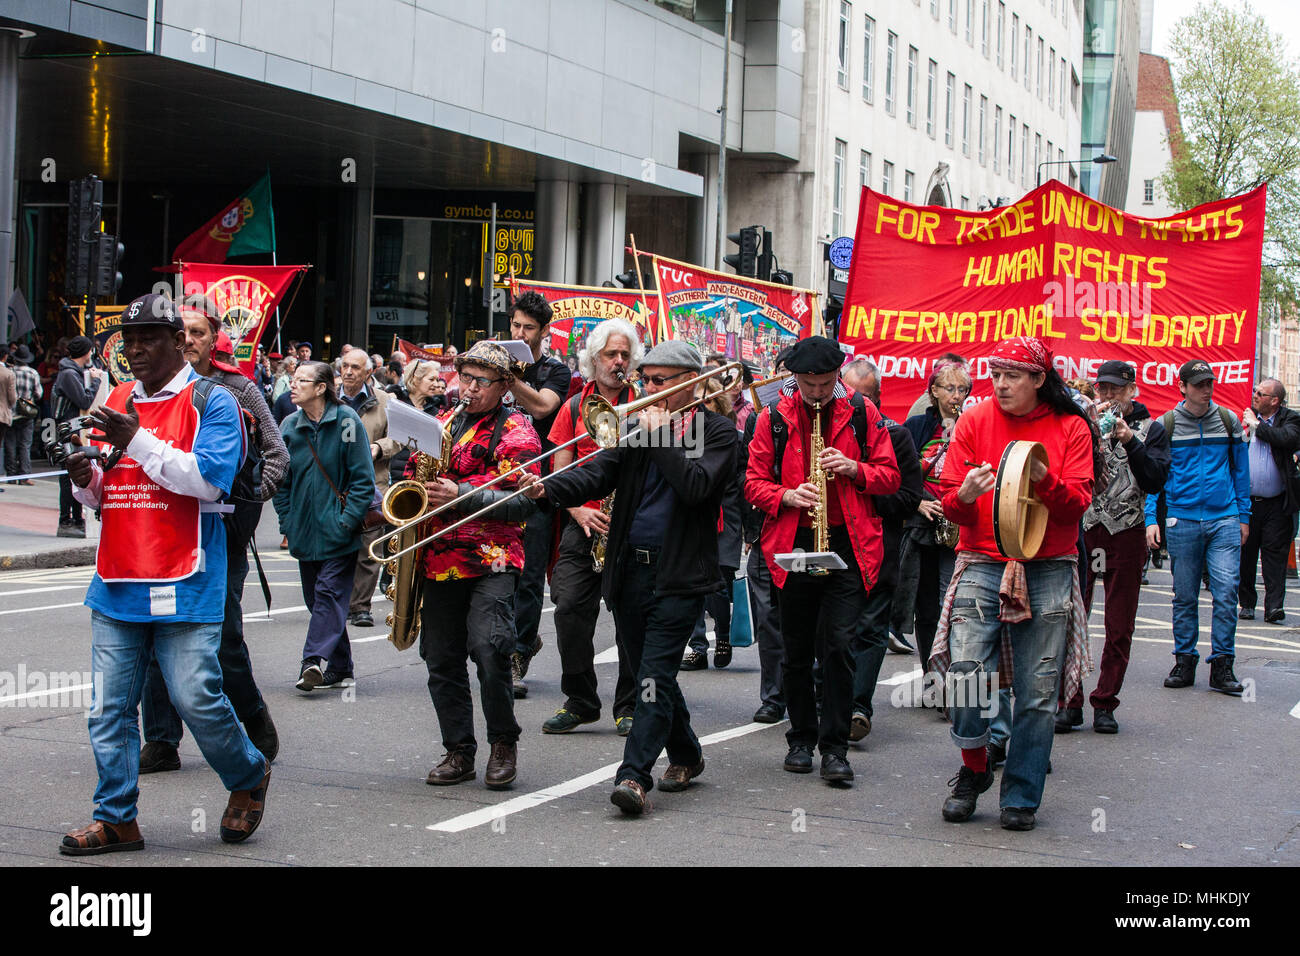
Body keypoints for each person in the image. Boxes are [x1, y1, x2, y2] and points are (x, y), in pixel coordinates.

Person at [59, 293, 270, 855]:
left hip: (186, 576)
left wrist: (136, 438)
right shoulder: (119, 396)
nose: (134, 350)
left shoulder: (215, 402)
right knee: (108, 710)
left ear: (180, 343)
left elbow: (208, 481)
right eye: (128, 341)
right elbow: (111, 487)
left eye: (148, 339)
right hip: (119, 575)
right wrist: (84, 479)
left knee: (197, 698)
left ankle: (249, 774)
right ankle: (116, 818)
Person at [522, 340, 736, 814]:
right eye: (647, 380)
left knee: (654, 676)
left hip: (679, 575)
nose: (648, 389)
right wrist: (547, 487)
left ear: (693, 383)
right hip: (631, 570)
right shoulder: (637, 429)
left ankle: (633, 777)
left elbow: (697, 487)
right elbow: (597, 475)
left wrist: (660, 438)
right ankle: (686, 752)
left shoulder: (718, 432)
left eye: (660, 381)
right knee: (648, 675)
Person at [932, 336, 1095, 832]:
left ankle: (1021, 793)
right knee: (963, 674)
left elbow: (1077, 505)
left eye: (1013, 376)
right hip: (981, 558)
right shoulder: (975, 419)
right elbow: (951, 506)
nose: (1000, 385)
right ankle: (975, 767)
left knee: (1038, 689)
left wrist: (1044, 479)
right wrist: (963, 494)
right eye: (996, 374)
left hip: (1048, 563)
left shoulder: (1071, 426)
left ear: (1039, 380)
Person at [137, 296, 291, 773]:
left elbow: (278, 455)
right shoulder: (145, 391)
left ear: (212, 339)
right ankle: (161, 740)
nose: (189, 341)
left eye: (198, 332)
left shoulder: (236, 389)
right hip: (160, 537)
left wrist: (240, 502)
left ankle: (253, 721)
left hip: (217, 538)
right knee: (153, 634)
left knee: (222, 639)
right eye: (180, 332)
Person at [745, 336, 901, 785]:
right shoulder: (772, 417)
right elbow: (752, 483)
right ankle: (800, 738)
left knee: (837, 648)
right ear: (795, 379)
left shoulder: (862, 413)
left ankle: (834, 748)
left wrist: (854, 469)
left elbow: (891, 478)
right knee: (795, 650)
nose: (816, 393)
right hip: (796, 546)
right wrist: (787, 495)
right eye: (808, 385)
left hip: (847, 547)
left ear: (838, 376)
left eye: (825, 384)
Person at [414, 341, 541, 790]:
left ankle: (503, 742)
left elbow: (524, 499)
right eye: (464, 377)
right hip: (438, 556)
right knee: (441, 658)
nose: (468, 388)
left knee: (491, 649)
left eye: (480, 381)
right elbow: (415, 475)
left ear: (505, 386)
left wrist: (461, 495)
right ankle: (459, 750)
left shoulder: (517, 428)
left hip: (492, 558)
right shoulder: (445, 420)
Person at [541, 318, 641, 735]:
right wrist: (578, 511)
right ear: (593, 359)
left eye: (624, 355)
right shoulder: (572, 407)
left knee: (632, 620)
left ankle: (631, 704)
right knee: (568, 611)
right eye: (610, 355)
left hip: (631, 525)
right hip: (583, 522)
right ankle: (581, 699)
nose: (618, 362)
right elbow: (558, 473)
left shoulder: (647, 401)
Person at [1058, 360, 1169, 735]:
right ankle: (1069, 701)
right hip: (1087, 529)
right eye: (1103, 389)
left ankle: (1105, 702)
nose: (1109, 397)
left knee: (1119, 623)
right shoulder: (1082, 421)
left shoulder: (1152, 429)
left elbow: (1154, 480)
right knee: (1073, 618)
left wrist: (1129, 439)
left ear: (1132, 391)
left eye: (1116, 390)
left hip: (1127, 531)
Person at [1146, 360, 1250, 695]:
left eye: (1210, 383)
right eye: (1199, 384)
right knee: (1185, 595)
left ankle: (1223, 664)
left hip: (1224, 518)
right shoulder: (1167, 425)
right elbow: (1155, 477)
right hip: (1183, 518)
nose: (1207, 389)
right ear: (1183, 386)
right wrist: (1151, 518)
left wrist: (1243, 516)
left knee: (1226, 591)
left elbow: (1240, 472)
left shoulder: (1228, 420)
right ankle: (1184, 660)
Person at [275, 361, 376, 692]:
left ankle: (312, 661)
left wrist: (346, 522)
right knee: (316, 599)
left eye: (302, 380)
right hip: (304, 532)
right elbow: (282, 482)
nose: (293, 385)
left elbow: (363, 479)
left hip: (339, 532)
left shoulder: (347, 422)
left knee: (328, 593)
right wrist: (287, 520)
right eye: (293, 379)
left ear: (321, 387)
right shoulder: (290, 426)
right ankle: (342, 665)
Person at [840, 359, 922, 742]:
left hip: (880, 547)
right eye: (849, 394)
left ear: (878, 398)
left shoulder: (897, 435)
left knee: (871, 629)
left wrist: (862, 485)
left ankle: (858, 706)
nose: (856, 404)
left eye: (865, 397)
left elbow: (907, 498)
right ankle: (827, 702)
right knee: (834, 630)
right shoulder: (827, 430)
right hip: (838, 547)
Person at [507, 291, 573, 696]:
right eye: (515, 325)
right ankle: (507, 643)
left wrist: (507, 377)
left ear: (544, 331)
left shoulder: (555, 371)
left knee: (529, 576)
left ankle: (518, 653)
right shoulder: (495, 361)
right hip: (495, 482)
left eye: (528, 328)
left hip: (539, 486)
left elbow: (544, 409)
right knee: (497, 571)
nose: (519, 332)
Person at [899, 361, 973, 668]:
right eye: (950, 389)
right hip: (924, 524)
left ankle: (952, 672)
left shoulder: (971, 424)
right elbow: (900, 473)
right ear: (934, 391)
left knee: (951, 602)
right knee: (927, 606)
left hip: (957, 526)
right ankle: (933, 674)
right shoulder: (916, 426)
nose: (956, 396)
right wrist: (916, 502)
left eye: (962, 389)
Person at [683, 352, 743, 670]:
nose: (700, 411)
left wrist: (754, 531)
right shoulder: (684, 435)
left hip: (725, 521)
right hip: (693, 519)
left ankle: (722, 635)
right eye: (696, 405)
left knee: (719, 586)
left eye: (706, 405)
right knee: (692, 585)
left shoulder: (731, 437)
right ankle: (696, 646)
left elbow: (744, 484)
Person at [337, 349, 398, 629]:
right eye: (345, 366)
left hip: (373, 484)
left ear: (368, 372)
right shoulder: (329, 397)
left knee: (369, 547)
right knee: (336, 545)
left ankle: (360, 607)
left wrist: (378, 448)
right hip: (334, 484)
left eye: (355, 368)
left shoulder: (385, 401)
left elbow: (398, 439)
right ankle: (335, 601)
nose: (348, 372)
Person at [1238, 377, 1300, 624]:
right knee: (1246, 554)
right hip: (1248, 502)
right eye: (1254, 391)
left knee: (1275, 557)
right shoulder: (1243, 418)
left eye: (1260, 393)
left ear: (1274, 400)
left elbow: (1286, 439)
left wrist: (1257, 426)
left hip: (1277, 502)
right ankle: (1247, 604)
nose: (1254, 395)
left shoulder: (1290, 419)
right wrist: (1248, 426)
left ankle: (1274, 606)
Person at [52, 335, 106, 537]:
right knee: (69, 475)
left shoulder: (74, 372)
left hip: (73, 429)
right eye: (91, 350)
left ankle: (76, 518)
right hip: (67, 430)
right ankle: (66, 521)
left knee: (76, 473)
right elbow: (84, 401)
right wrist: (96, 381)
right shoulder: (68, 374)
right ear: (86, 352)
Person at [4, 345, 42, 483]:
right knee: (25, 444)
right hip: (27, 413)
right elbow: (39, 394)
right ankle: (24, 475)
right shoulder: (33, 373)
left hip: (11, 412)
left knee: (10, 443)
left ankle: (12, 475)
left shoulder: (10, 372)